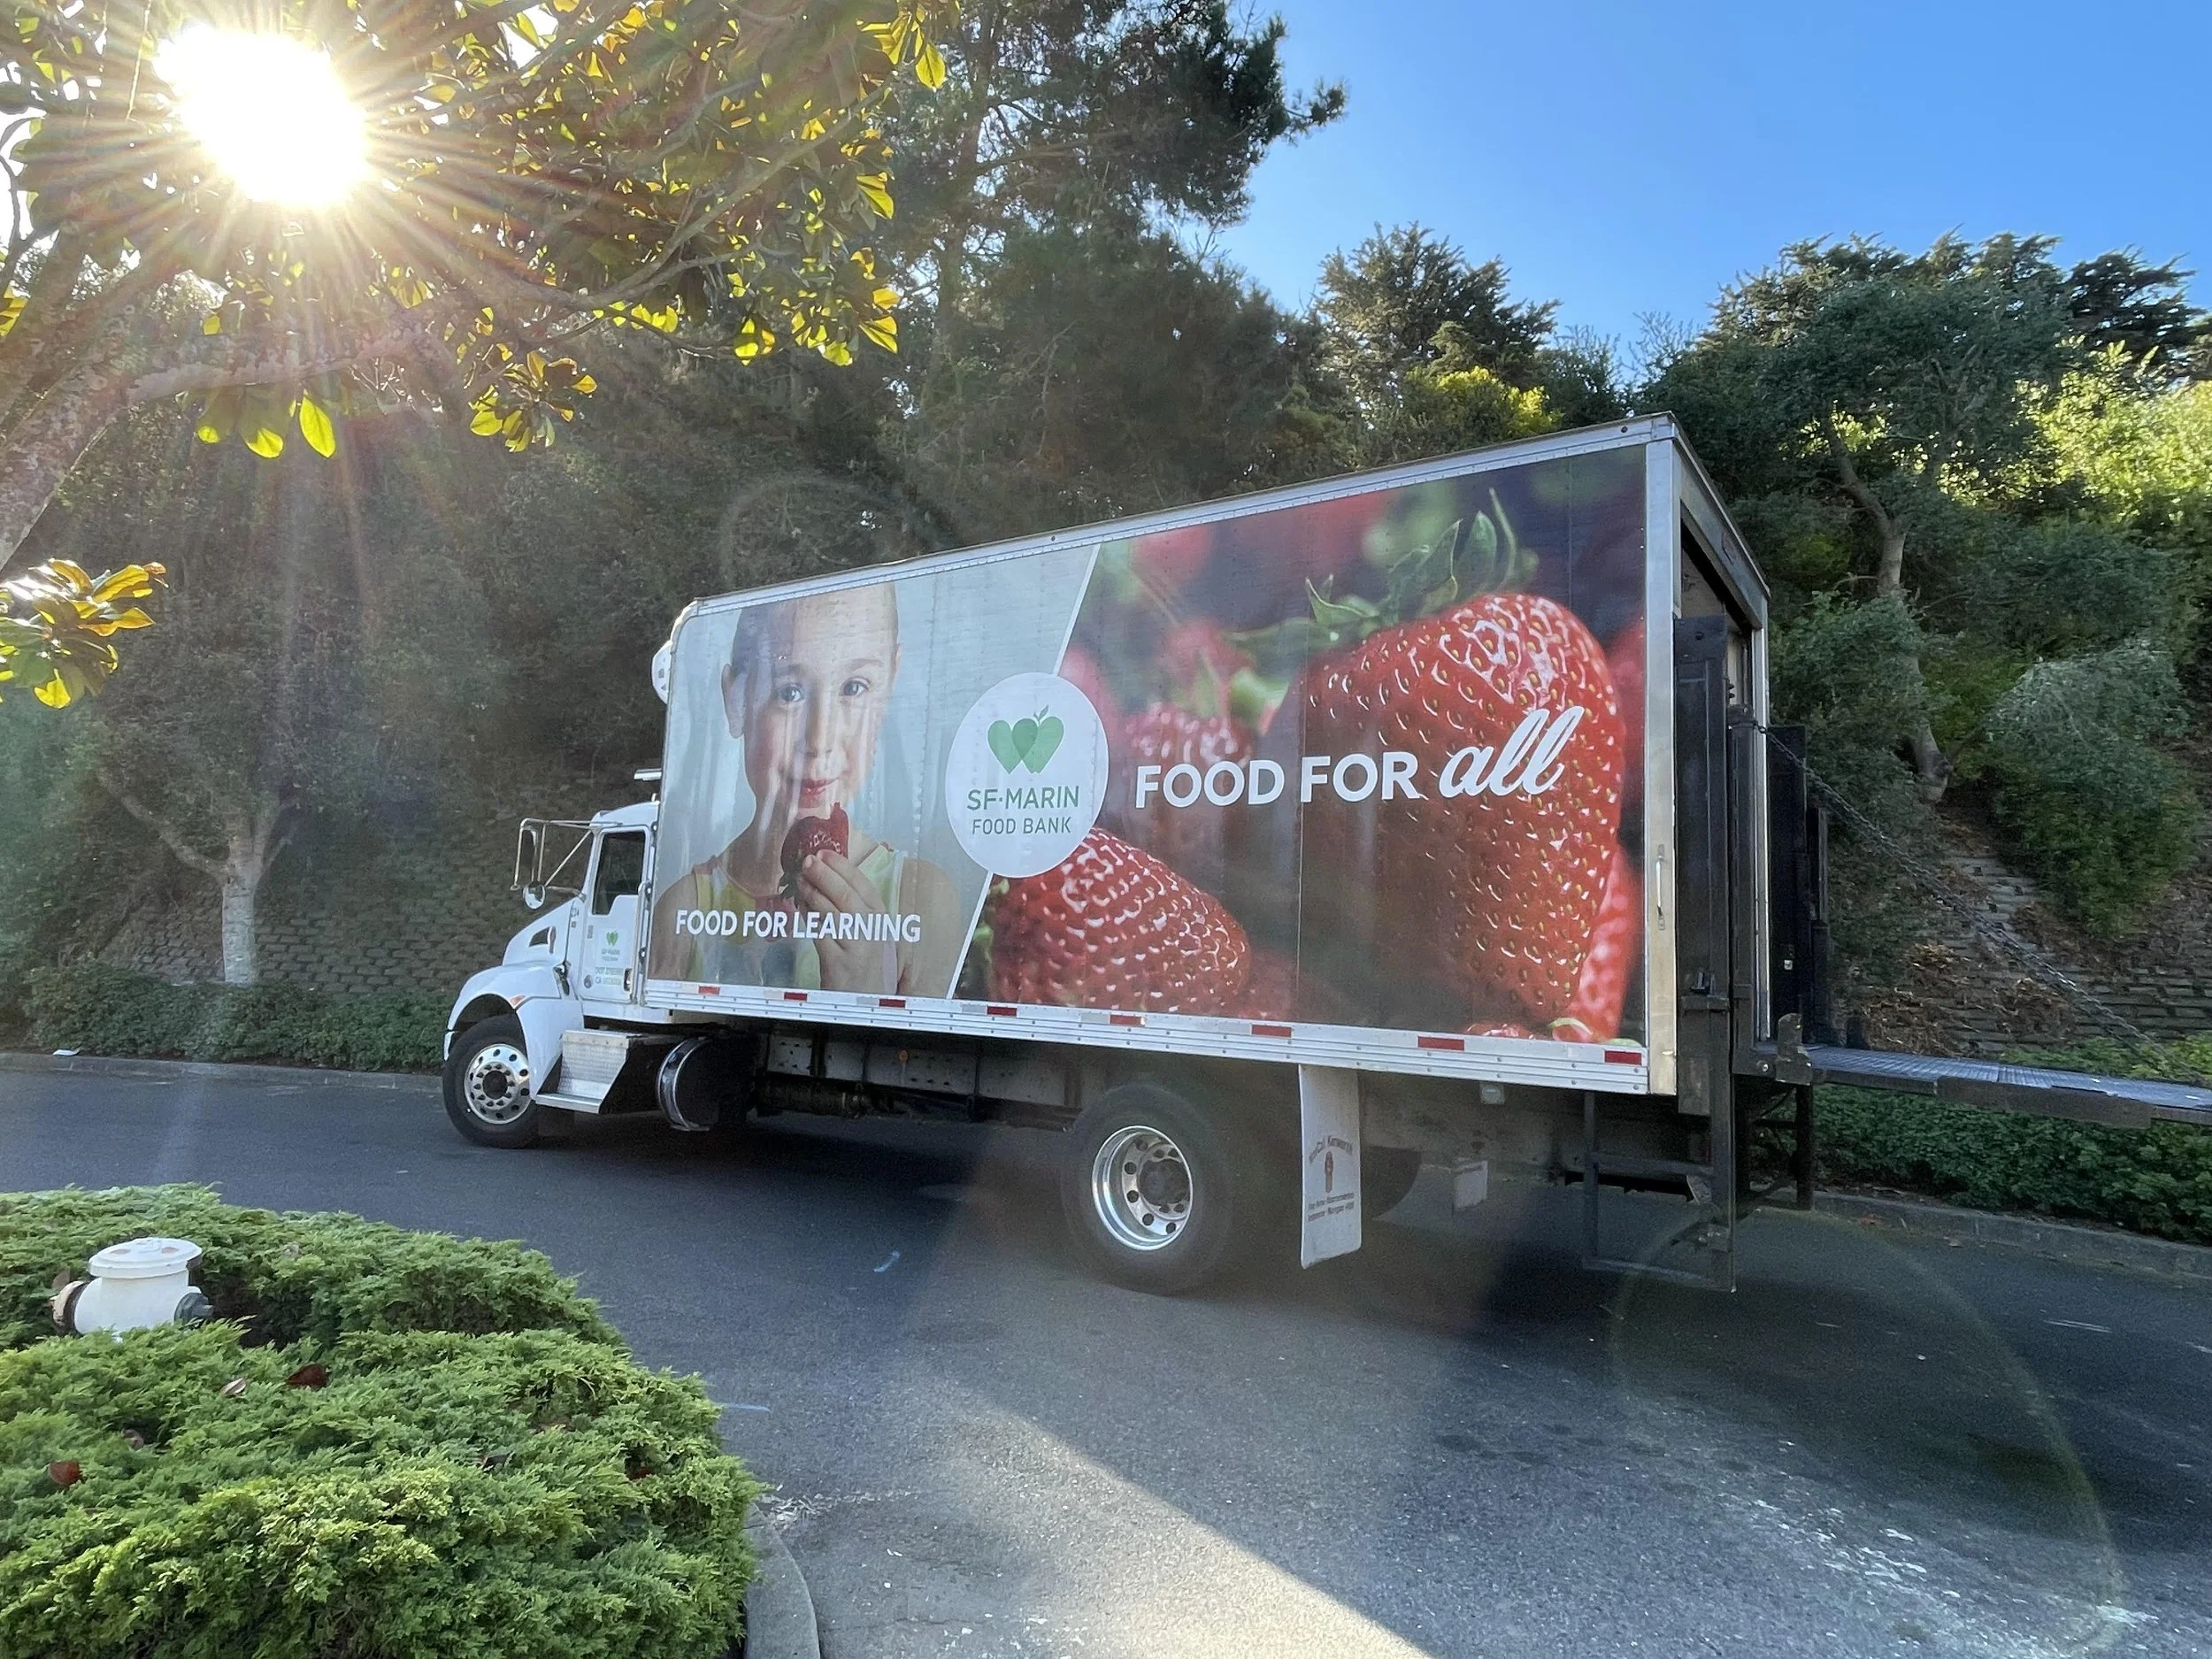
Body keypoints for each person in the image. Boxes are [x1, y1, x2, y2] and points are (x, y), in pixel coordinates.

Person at [649, 583, 964, 995]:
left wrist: (868, 989)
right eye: (789, 693)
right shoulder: (684, 908)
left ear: (889, 684)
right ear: (736, 701)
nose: (820, 739)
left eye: (854, 687)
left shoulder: (922, 901)